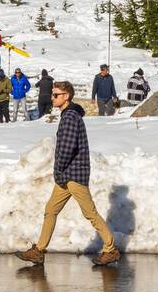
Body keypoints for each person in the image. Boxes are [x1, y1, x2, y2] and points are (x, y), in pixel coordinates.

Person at [15, 81, 120, 267]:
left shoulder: (70, 116)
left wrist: (58, 169)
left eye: (56, 95)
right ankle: (39, 251)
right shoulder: (69, 115)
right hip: (67, 175)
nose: (52, 97)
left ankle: (110, 250)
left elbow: (67, 148)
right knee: (51, 210)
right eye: (52, 94)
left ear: (66, 96)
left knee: (90, 213)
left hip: (73, 175)